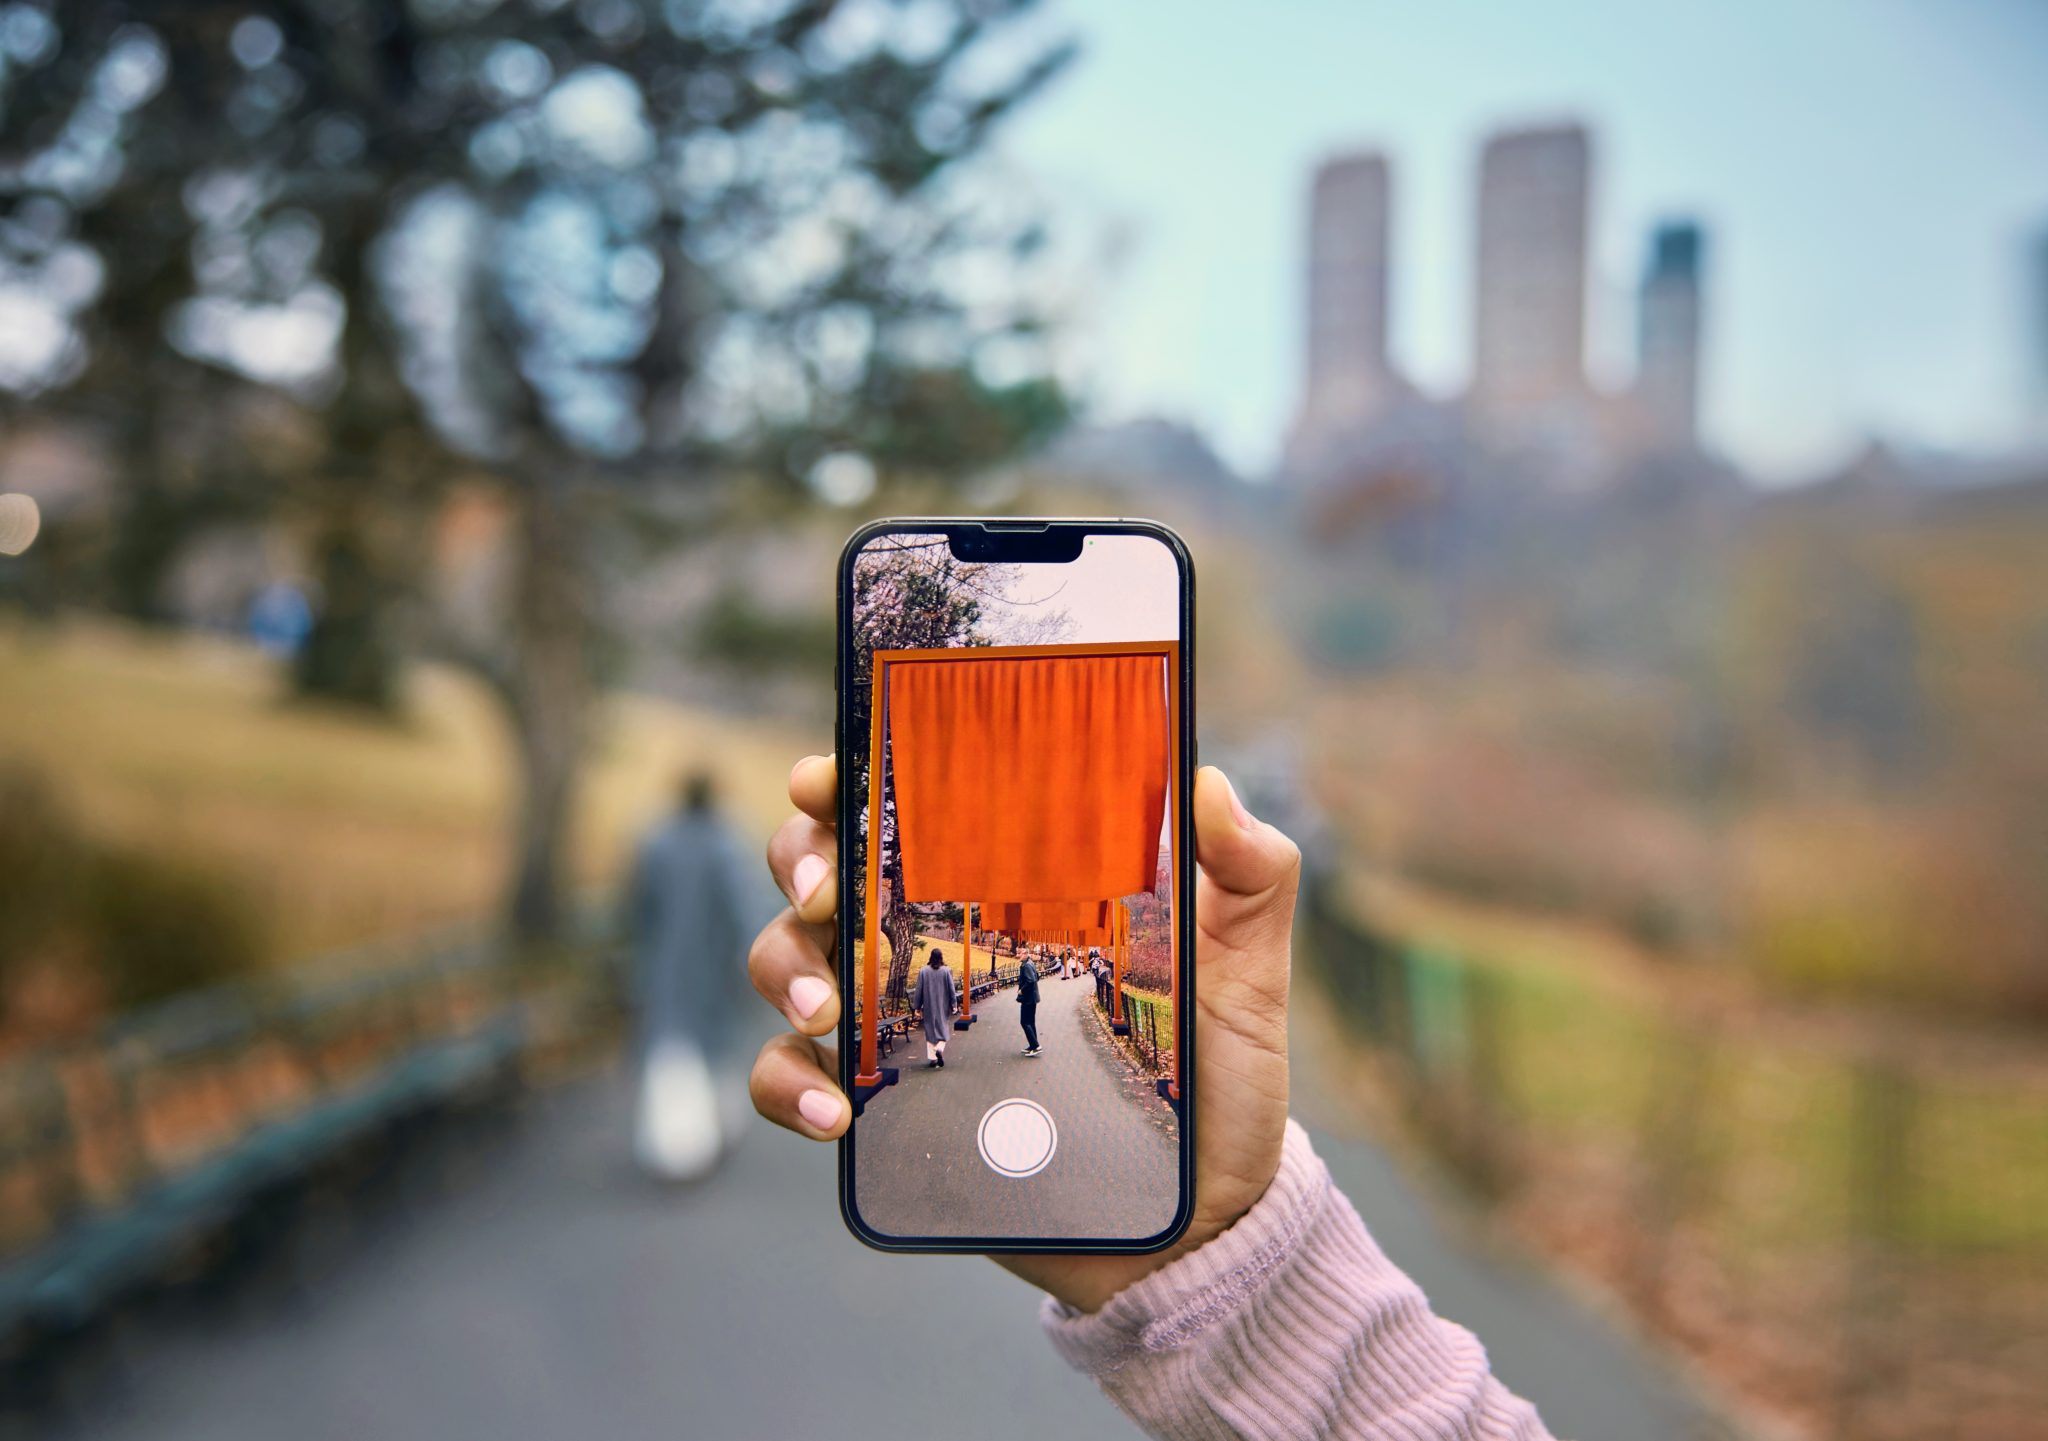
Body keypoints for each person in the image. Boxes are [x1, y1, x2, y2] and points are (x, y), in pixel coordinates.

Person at [749, 757, 1555, 1440]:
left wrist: (1217, 1255)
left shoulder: (1041, 967)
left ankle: (946, 1044)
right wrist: (1231, 1270)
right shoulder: (985, 960)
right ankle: (939, 1042)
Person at [625, 770, 752, 1182]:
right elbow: (744, 909)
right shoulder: (727, 844)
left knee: (672, 1046)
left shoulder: (657, 841)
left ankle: (680, 1146)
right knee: (713, 1041)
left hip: (665, 961)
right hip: (713, 963)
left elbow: (635, 906)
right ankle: (696, 1142)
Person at [915, 950, 956, 1068]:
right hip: (943, 1005)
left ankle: (932, 1058)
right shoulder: (946, 971)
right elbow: (951, 989)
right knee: (943, 1028)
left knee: (930, 1029)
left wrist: (917, 1006)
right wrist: (954, 1004)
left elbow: (919, 990)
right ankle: (939, 1048)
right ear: (941, 957)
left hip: (928, 1005)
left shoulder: (923, 971)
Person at [1016, 951, 1042, 1056]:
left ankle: (1035, 1046)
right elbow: (1037, 977)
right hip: (1033, 998)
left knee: (1024, 1022)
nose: (1018, 955)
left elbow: (1031, 980)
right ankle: (1033, 1045)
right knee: (1030, 1022)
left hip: (1028, 998)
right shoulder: (1030, 963)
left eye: (1020, 953)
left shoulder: (1026, 966)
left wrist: (1022, 990)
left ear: (1026, 954)